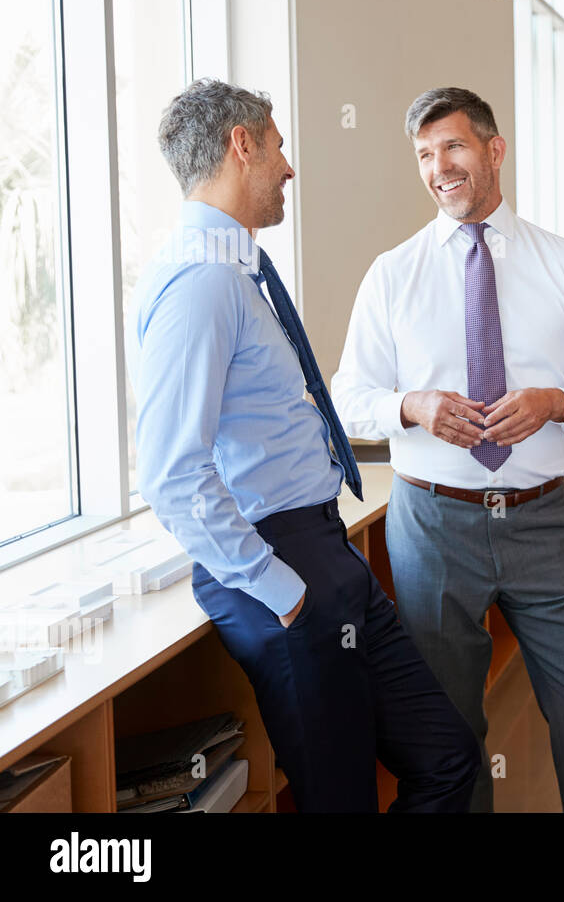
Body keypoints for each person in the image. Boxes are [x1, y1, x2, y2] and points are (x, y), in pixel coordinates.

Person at [127, 79, 479, 812]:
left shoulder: (237, 271)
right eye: (279, 146)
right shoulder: (202, 282)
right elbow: (171, 472)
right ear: (242, 144)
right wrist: (283, 593)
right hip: (278, 566)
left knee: (446, 756)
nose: (288, 166)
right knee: (340, 800)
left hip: (323, 548)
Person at [332, 87, 564, 812]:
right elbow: (348, 395)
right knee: (450, 730)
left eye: (455, 147)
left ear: (495, 151)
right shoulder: (392, 273)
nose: (441, 167)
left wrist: (554, 403)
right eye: (425, 155)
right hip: (432, 528)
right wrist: (413, 406)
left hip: (541, 519)